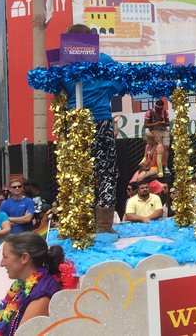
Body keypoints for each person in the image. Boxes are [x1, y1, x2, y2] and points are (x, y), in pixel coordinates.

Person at [60, 24, 128, 236]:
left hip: (75, 123)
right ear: (91, 39)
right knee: (106, 173)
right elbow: (122, 83)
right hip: (101, 121)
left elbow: (58, 91)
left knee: (77, 173)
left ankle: (80, 222)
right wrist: (105, 89)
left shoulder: (62, 63)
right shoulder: (104, 59)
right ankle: (104, 226)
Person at [0, 233, 66, 335]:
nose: (1, 264)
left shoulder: (42, 294)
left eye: (5, 257)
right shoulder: (20, 284)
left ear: (24, 258)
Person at [143, 99, 170, 170]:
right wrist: (155, 124)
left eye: (161, 108)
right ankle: (159, 166)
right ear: (155, 107)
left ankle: (166, 166)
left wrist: (164, 123)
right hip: (154, 131)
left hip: (164, 131)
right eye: (159, 108)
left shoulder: (165, 112)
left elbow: (168, 123)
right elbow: (145, 125)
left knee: (166, 147)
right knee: (159, 149)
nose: (160, 110)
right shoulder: (149, 112)